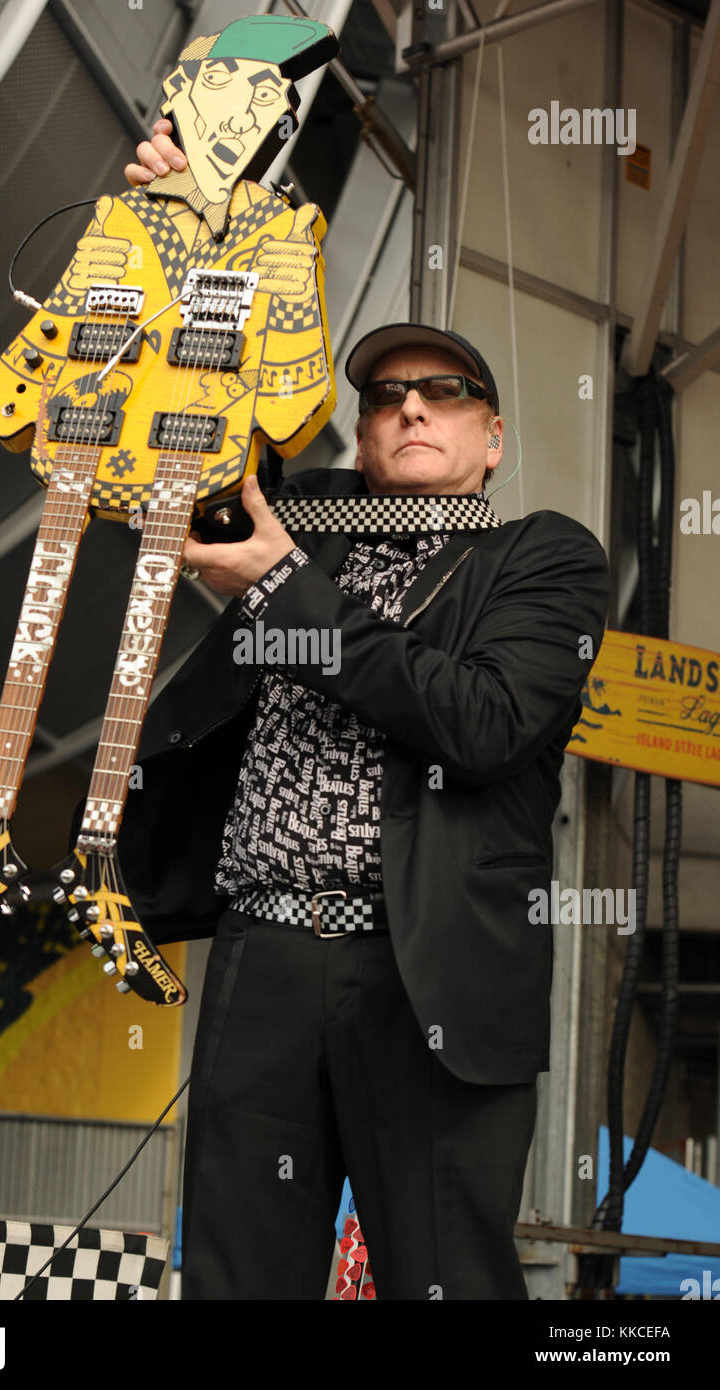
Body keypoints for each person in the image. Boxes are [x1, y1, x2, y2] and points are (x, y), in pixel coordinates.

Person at [108, 130, 612, 1300]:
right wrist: (194, 228)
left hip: (425, 975)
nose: (409, 409)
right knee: (238, 1279)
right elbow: (183, 408)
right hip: (263, 955)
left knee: (447, 1279)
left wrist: (283, 587)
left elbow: (483, 721)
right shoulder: (300, 514)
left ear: (492, 440)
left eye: (445, 393)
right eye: (384, 396)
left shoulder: (542, 559)